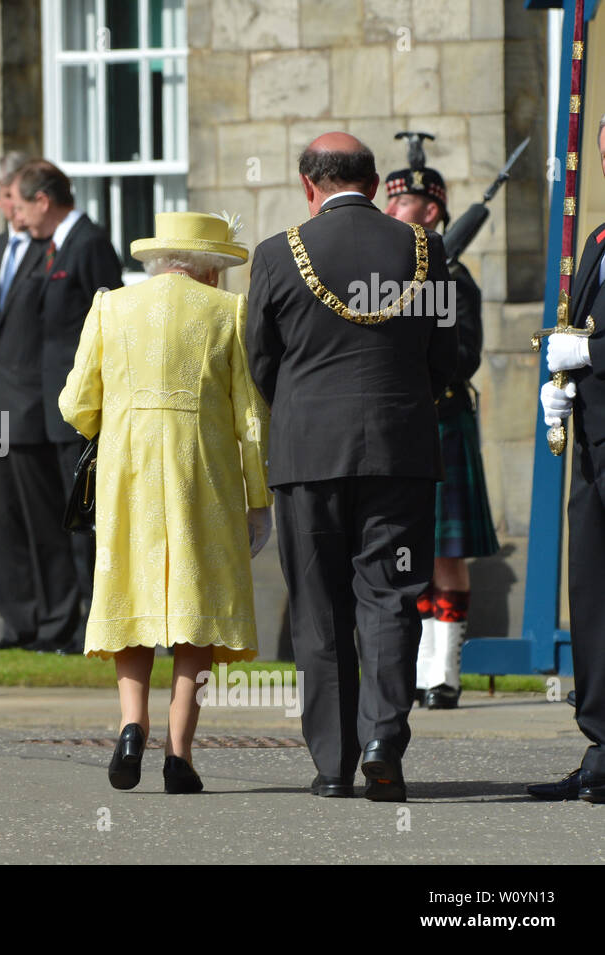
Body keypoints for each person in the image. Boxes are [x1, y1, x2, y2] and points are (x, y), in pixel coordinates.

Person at [247, 133, 456, 802]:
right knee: (390, 599)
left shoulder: (279, 253)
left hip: (309, 453)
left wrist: (305, 408)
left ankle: (333, 765)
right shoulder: (426, 248)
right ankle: (382, 741)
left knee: (320, 609)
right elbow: (445, 357)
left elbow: (260, 361)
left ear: (308, 185)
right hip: (397, 450)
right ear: (371, 184)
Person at [59, 212, 271, 793]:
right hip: (202, 475)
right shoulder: (227, 312)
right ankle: (179, 754)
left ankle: (132, 726)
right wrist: (259, 498)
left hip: (127, 476)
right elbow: (251, 418)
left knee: (131, 594)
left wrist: (124, 414)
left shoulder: (111, 307)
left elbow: (76, 404)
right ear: (208, 267)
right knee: (195, 614)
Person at [384, 149, 499, 711]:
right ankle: (418, 664)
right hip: (401, 423)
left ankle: (444, 672)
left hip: (443, 419)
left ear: (431, 211)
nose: (392, 208)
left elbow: (464, 357)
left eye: (401, 200)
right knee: (409, 549)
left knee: (445, 553)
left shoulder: (453, 277)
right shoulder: (386, 273)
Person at [11, 159, 123, 653]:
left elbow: (110, 322)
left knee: (89, 522)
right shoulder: (55, 245)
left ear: (43, 200)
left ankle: (98, 624)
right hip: (59, 410)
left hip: (83, 412)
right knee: (72, 523)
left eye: (20, 205)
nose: (18, 217)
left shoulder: (90, 243)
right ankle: (80, 622)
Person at [0, 152, 81, 650]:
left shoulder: (52, 248)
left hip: (32, 409)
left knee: (44, 523)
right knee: (2, 523)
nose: (14, 208)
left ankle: (57, 622)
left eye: (20, 197)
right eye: (8, 198)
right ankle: (16, 624)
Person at [530, 114, 605, 805]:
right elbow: (572, 329)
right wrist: (565, 386)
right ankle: (603, 746)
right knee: (593, 599)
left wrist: (591, 355)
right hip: (593, 448)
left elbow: (591, 340)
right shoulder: (599, 241)